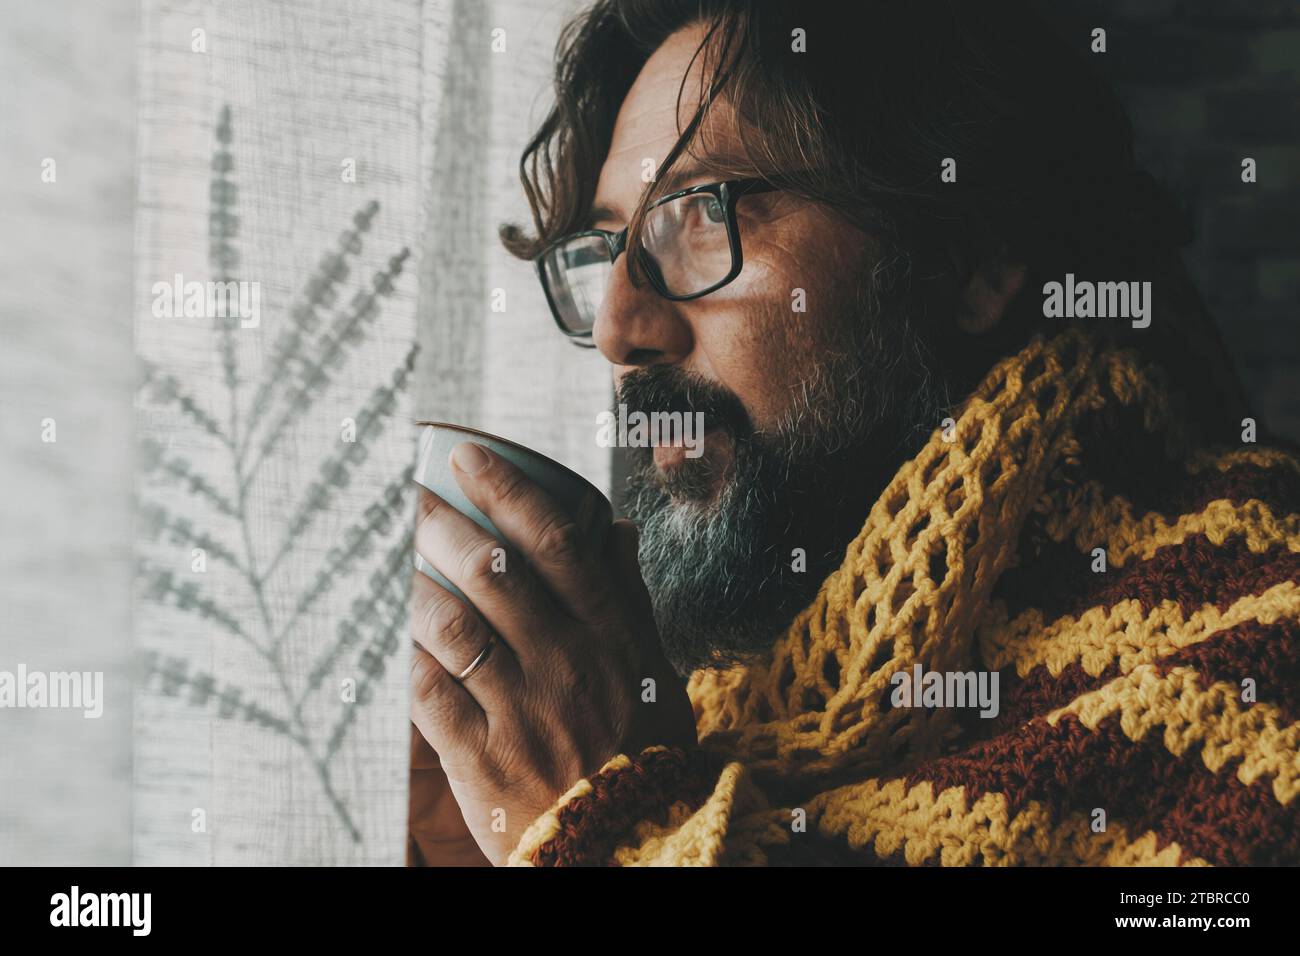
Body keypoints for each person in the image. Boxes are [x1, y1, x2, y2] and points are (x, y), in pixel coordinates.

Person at [408, 0, 1300, 866]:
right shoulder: (701, 711)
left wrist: (608, 832)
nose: (617, 328)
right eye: (605, 251)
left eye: (700, 216)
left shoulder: (1260, 634)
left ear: (966, 255)